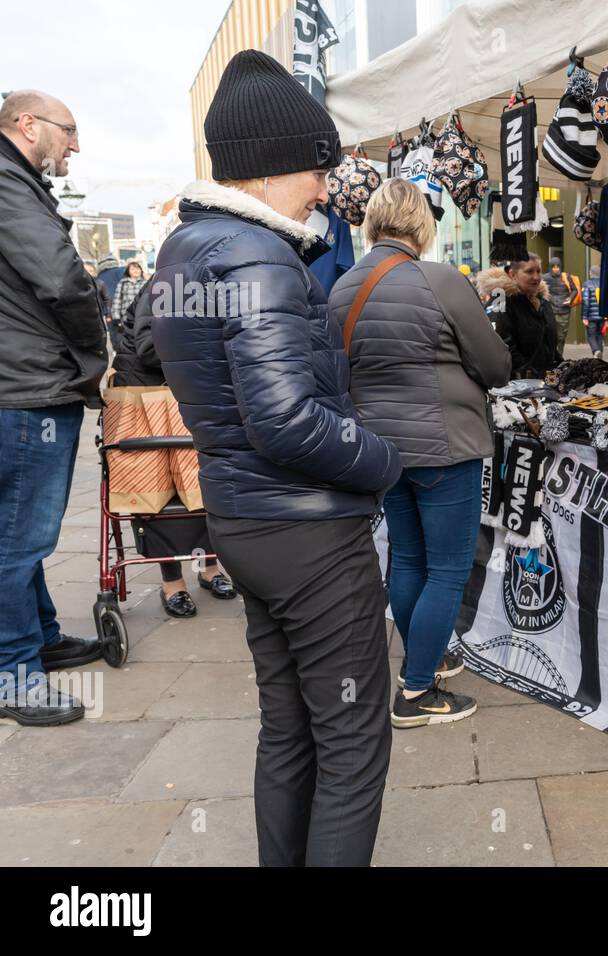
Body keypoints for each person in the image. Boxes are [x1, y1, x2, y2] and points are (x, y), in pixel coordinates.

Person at [149, 50, 402, 867]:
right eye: (317, 168)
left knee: (289, 728)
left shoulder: (190, 248)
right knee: (354, 738)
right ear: (270, 166)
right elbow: (287, 421)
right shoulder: (255, 256)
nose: (326, 189)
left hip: (247, 522)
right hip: (307, 533)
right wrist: (382, 462)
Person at [331, 178, 511, 729]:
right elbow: (496, 367)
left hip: (378, 450)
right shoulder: (439, 280)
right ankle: (415, 692)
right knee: (449, 569)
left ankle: (427, 660)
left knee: (407, 559)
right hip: (443, 445)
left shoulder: (342, 288)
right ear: (422, 225)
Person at [0, 89, 107, 727]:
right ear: (27, 123)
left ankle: (39, 637)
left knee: (20, 534)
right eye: (69, 131)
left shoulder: (17, 182)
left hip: (24, 383)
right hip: (27, 390)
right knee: (20, 538)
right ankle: (15, 676)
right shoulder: (9, 184)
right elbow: (63, 280)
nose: (75, 145)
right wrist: (95, 353)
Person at [111, 282, 236, 616]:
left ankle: (208, 569)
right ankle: (172, 583)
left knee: (200, 483)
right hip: (148, 396)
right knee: (160, 492)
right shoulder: (166, 287)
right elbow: (149, 347)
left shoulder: (201, 286)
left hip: (183, 394)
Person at [488, 254, 563, 378]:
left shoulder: (543, 301)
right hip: (514, 386)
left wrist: (561, 367)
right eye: (529, 271)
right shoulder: (500, 302)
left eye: (538, 271)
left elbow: (549, 346)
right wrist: (530, 375)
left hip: (544, 384)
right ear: (512, 274)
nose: (536, 277)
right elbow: (502, 347)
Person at [111, 259, 147, 345]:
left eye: (138, 268)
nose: (136, 271)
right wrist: (116, 317)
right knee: (129, 341)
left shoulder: (145, 283)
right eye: (133, 269)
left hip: (142, 316)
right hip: (126, 317)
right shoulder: (123, 283)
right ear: (128, 271)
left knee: (142, 339)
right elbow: (117, 300)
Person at [541, 256, 581, 334]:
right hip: (550, 309)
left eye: (558, 266)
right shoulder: (544, 278)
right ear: (550, 267)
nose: (556, 269)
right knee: (551, 332)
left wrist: (570, 298)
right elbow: (539, 291)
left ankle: (559, 346)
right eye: (553, 267)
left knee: (562, 334)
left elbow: (575, 290)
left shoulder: (566, 276)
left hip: (564, 309)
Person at [580, 266, 604, 356]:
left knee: (591, 336)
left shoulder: (587, 284)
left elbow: (585, 301)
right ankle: (599, 356)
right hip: (603, 315)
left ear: (591, 273)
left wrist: (584, 316)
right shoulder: (604, 283)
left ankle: (596, 351)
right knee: (600, 336)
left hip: (591, 316)